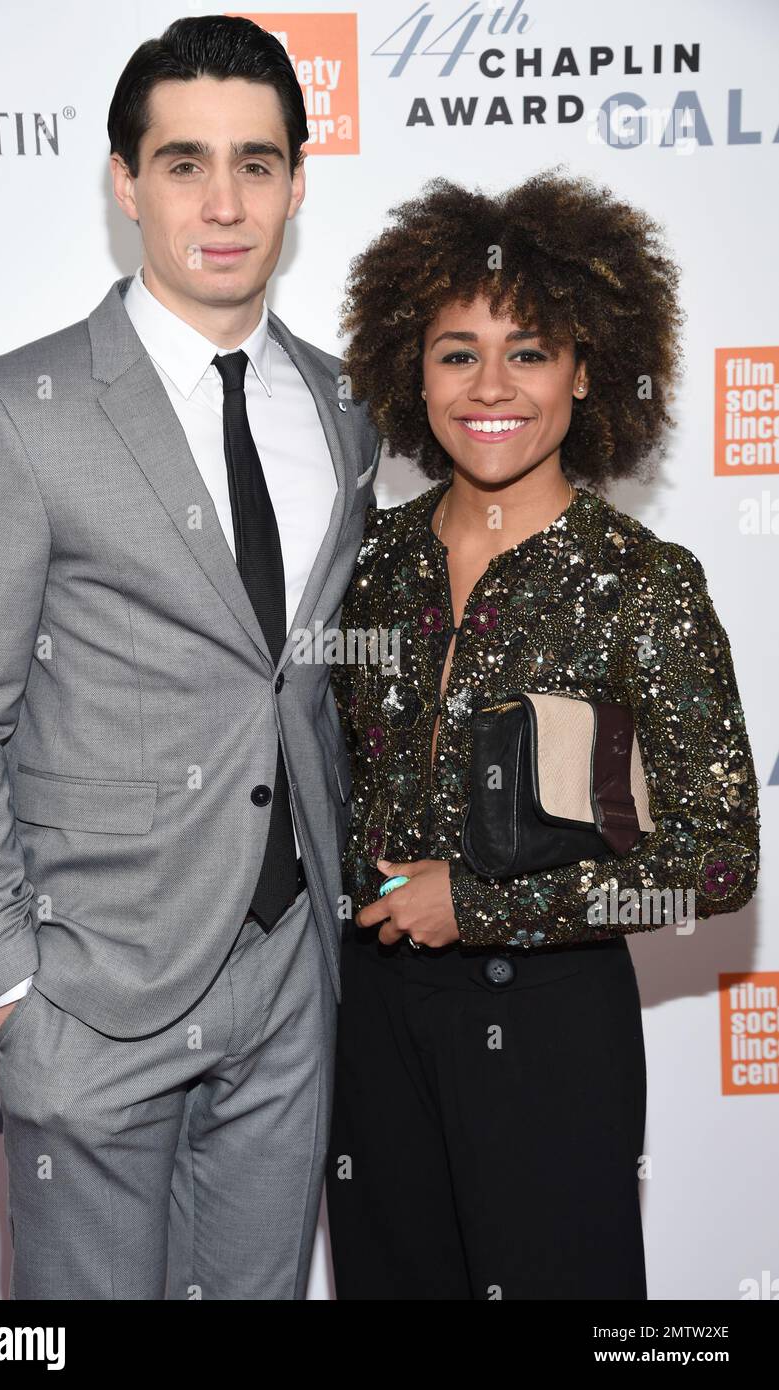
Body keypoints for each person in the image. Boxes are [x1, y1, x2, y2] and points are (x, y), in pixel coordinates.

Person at [0, 15, 379, 1300]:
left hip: (293, 974)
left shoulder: (345, 407)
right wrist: (9, 983)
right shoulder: (14, 410)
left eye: (258, 162)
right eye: (184, 163)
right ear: (126, 183)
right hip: (92, 985)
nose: (224, 203)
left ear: (296, 180)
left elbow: (305, 686)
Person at [324, 170, 760, 1300]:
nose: (490, 386)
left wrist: (480, 902)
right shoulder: (365, 563)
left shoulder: (642, 582)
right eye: (456, 350)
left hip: (553, 1018)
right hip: (368, 1015)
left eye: (529, 350)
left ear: (585, 369)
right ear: (408, 370)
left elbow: (716, 858)